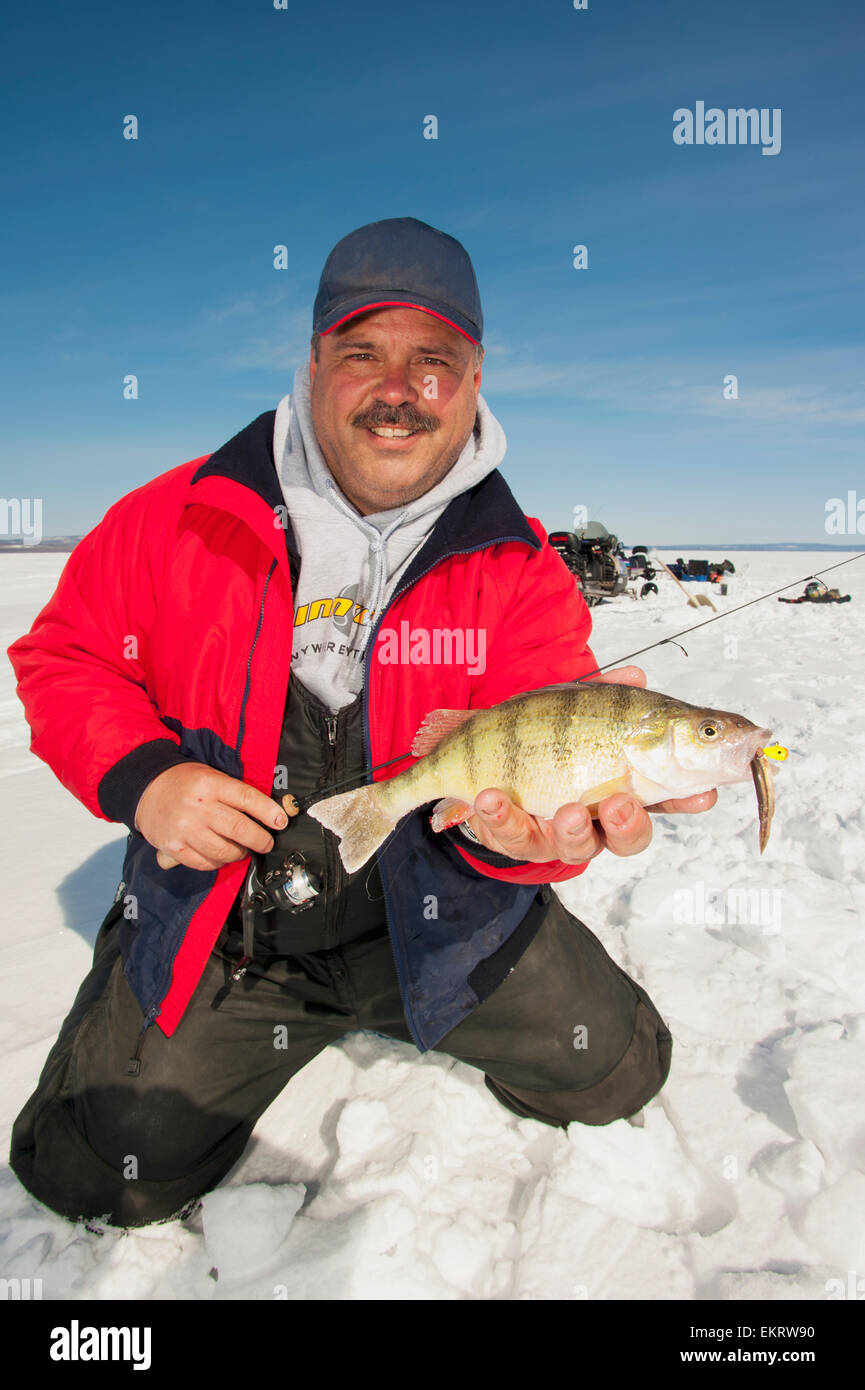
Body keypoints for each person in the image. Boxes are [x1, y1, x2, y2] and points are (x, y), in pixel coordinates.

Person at [7, 218, 716, 1229]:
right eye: (362, 354)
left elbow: (546, 784)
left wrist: (523, 847)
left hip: (435, 918)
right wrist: (145, 780)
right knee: (95, 1173)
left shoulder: (522, 574)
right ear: (312, 365)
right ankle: (143, 959)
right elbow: (65, 655)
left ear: (475, 379)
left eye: (434, 360)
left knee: (615, 1073)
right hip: (234, 928)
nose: (398, 389)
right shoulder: (176, 517)